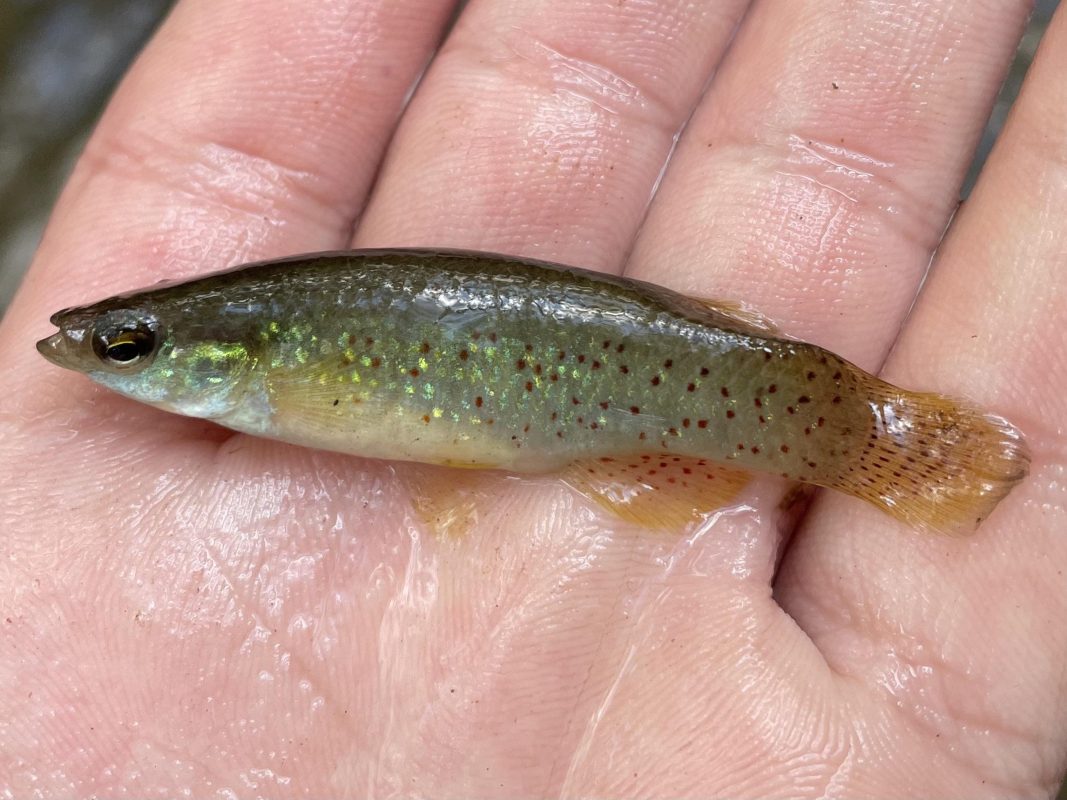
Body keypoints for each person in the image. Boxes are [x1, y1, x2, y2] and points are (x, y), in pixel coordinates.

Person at [0, 0, 1064, 796]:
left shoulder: (269, 358)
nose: (96, 353)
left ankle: (899, 453)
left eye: (128, 346)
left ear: (234, 355)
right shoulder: (262, 363)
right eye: (122, 344)